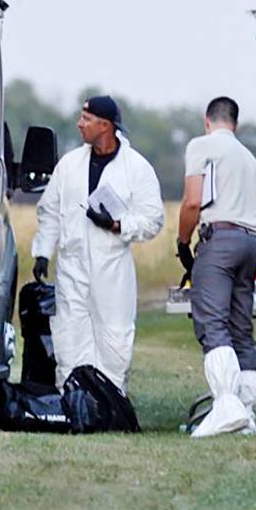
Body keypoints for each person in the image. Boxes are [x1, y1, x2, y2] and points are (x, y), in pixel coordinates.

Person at [30, 95, 164, 391]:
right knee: (69, 336)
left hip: (112, 269)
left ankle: (111, 402)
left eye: (86, 119)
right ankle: (72, 402)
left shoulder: (136, 168)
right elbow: (49, 211)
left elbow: (153, 219)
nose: (79, 124)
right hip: (72, 267)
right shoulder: (69, 165)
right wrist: (42, 252)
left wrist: (118, 225)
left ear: (105, 126)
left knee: (114, 339)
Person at [177, 96, 256, 437]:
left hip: (220, 240)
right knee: (240, 328)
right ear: (236, 124)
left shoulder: (201, 146)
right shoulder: (252, 160)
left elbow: (192, 201)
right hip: (252, 242)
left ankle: (226, 407)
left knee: (213, 325)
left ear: (207, 120)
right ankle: (246, 414)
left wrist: (182, 242)